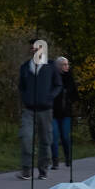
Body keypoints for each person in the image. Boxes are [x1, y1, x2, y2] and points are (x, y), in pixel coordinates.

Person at [18, 39, 60, 180]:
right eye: (32, 49)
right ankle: (26, 169)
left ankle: (43, 170)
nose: (34, 51)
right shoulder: (25, 67)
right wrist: (26, 98)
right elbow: (21, 87)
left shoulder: (51, 66)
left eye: (37, 48)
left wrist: (50, 97)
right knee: (26, 138)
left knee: (45, 140)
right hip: (29, 109)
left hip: (45, 110)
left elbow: (58, 85)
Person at [51, 55, 77, 170]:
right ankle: (55, 161)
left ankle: (68, 157)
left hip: (66, 113)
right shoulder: (52, 78)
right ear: (58, 66)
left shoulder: (69, 78)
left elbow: (75, 95)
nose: (67, 67)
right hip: (53, 113)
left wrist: (70, 101)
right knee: (54, 137)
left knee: (65, 137)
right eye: (64, 64)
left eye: (67, 64)